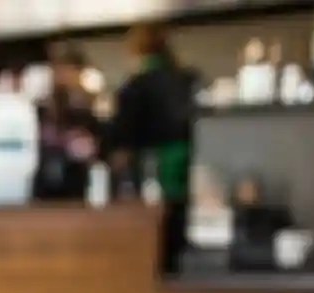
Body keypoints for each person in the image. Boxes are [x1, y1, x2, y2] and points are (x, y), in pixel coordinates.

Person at [111, 23, 199, 274]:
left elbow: (125, 133)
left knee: (152, 220)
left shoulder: (136, 85)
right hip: (182, 157)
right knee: (176, 215)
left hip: (152, 159)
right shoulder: (184, 78)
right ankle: (175, 263)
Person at [32, 46, 101, 201]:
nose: (61, 75)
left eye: (66, 69)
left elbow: (92, 147)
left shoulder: (86, 107)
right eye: (57, 69)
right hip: (47, 179)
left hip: (74, 178)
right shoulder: (44, 106)